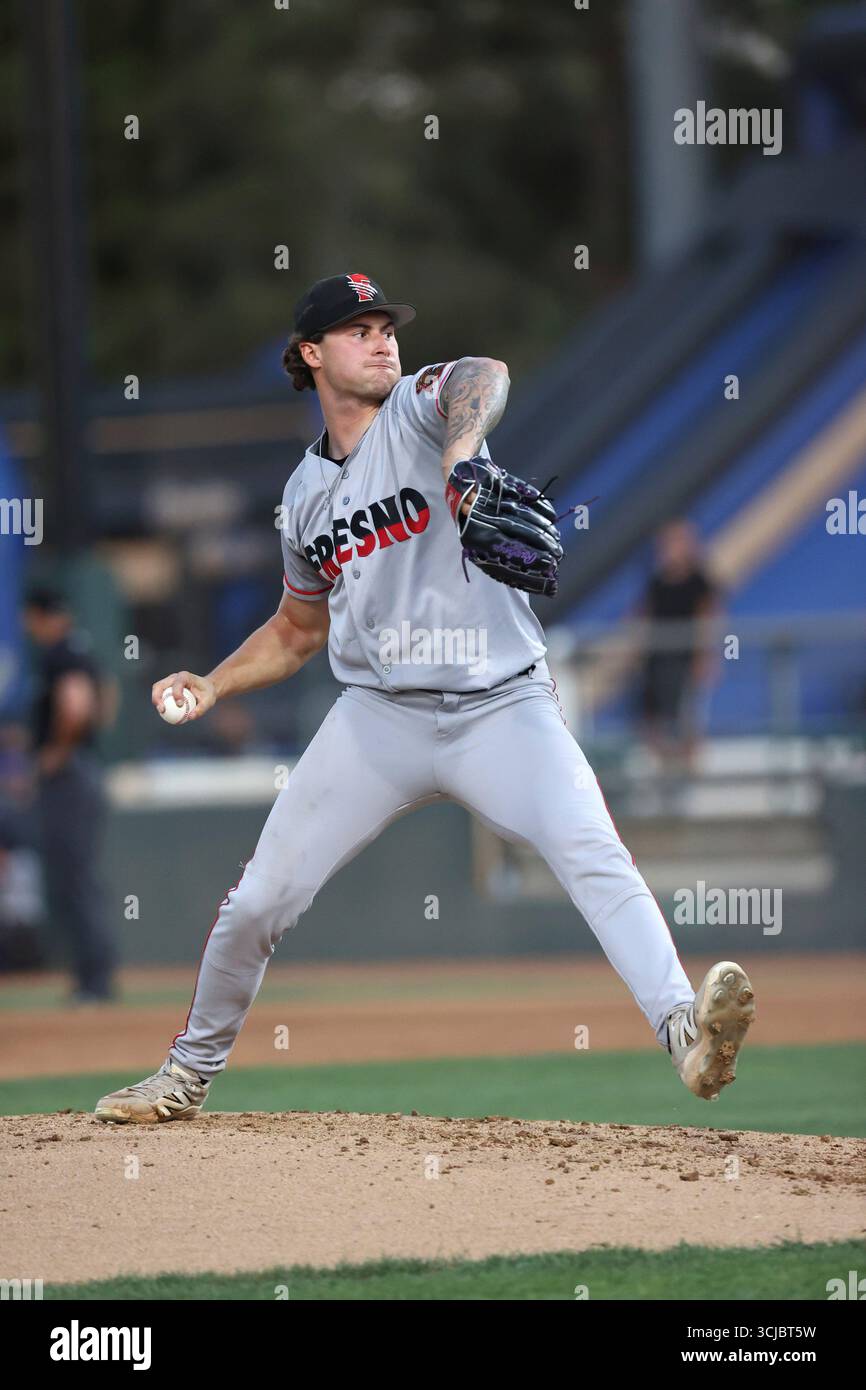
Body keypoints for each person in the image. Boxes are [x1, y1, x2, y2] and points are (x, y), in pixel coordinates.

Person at [94, 272, 754, 1123]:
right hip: (379, 718)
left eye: (386, 326)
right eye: (357, 328)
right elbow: (297, 631)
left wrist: (465, 450)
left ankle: (683, 1034)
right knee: (259, 898)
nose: (381, 339)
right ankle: (186, 1075)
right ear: (310, 354)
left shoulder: (419, 407)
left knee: (592, 849)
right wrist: (213, 680)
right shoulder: (302, 498)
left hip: (500, 704)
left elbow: (486, 370)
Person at [22, 587, 117, 1003]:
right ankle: (90, 978)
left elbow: (76, 706)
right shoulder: (81, 648)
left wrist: (56, 753)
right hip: (86, 768)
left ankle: (93, 982)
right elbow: (105, 698)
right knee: (76, 876)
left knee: (72, 878)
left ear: (41, 616)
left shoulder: (60, 653)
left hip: (69, 775)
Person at [638, 520, 720, 767]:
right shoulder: (656, 582)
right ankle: (664, 765)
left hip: (686, 659)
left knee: (687, 716)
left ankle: (687, 766)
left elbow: (708, 618)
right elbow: (645, 616)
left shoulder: (699, 581)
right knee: (656, 718)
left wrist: (705, 656)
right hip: (659, 661)